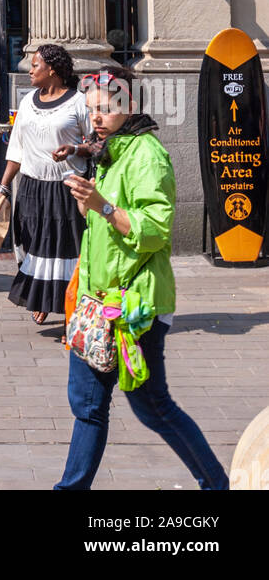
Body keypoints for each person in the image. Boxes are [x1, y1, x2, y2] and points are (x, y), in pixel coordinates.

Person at [55, 73, 229, 492]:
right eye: (92, 109)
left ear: (128, 107)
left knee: (153, 406)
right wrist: (89, 203)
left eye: (107, 108)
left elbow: (154, 229)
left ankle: (216, 484)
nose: (97, 118)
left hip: (137, 305)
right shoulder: (111, 151)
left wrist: (101, 203)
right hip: (100, 303)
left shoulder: (147, 154)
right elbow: (104, 226)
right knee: (87, 404)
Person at [0, 44, 92, 326]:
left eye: (35, 65)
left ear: (52, 69)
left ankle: (71, 308)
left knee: (65, 250)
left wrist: (74, 149)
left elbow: (96, 144)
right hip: (31, 188)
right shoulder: (27, 102)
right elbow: (17, 148)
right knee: (35, 246)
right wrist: (3, 187)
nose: (30, 70)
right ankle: (42, 299)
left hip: (66, 190)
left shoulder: (78, 102)